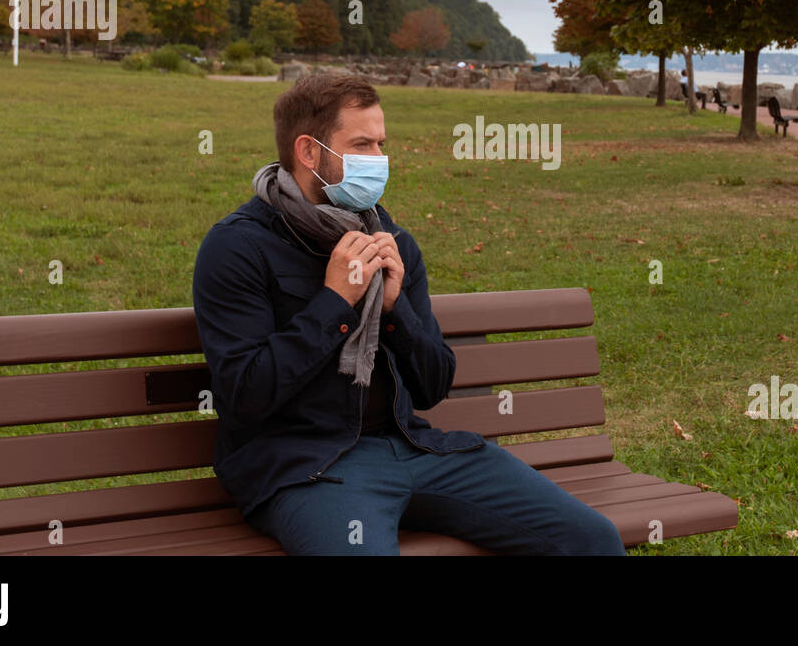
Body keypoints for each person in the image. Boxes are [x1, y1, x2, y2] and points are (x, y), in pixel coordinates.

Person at [191, 73, 625, 556]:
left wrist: (396, 311)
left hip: (414, 450)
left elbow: (433, 385)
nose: (378, 160)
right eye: (361, 145)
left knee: (592, 540)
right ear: (309, 153)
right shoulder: (238, 247)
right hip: (308, 468)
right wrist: (335, 302)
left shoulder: (390, 241)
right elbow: (244, 395)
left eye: (381, 143)